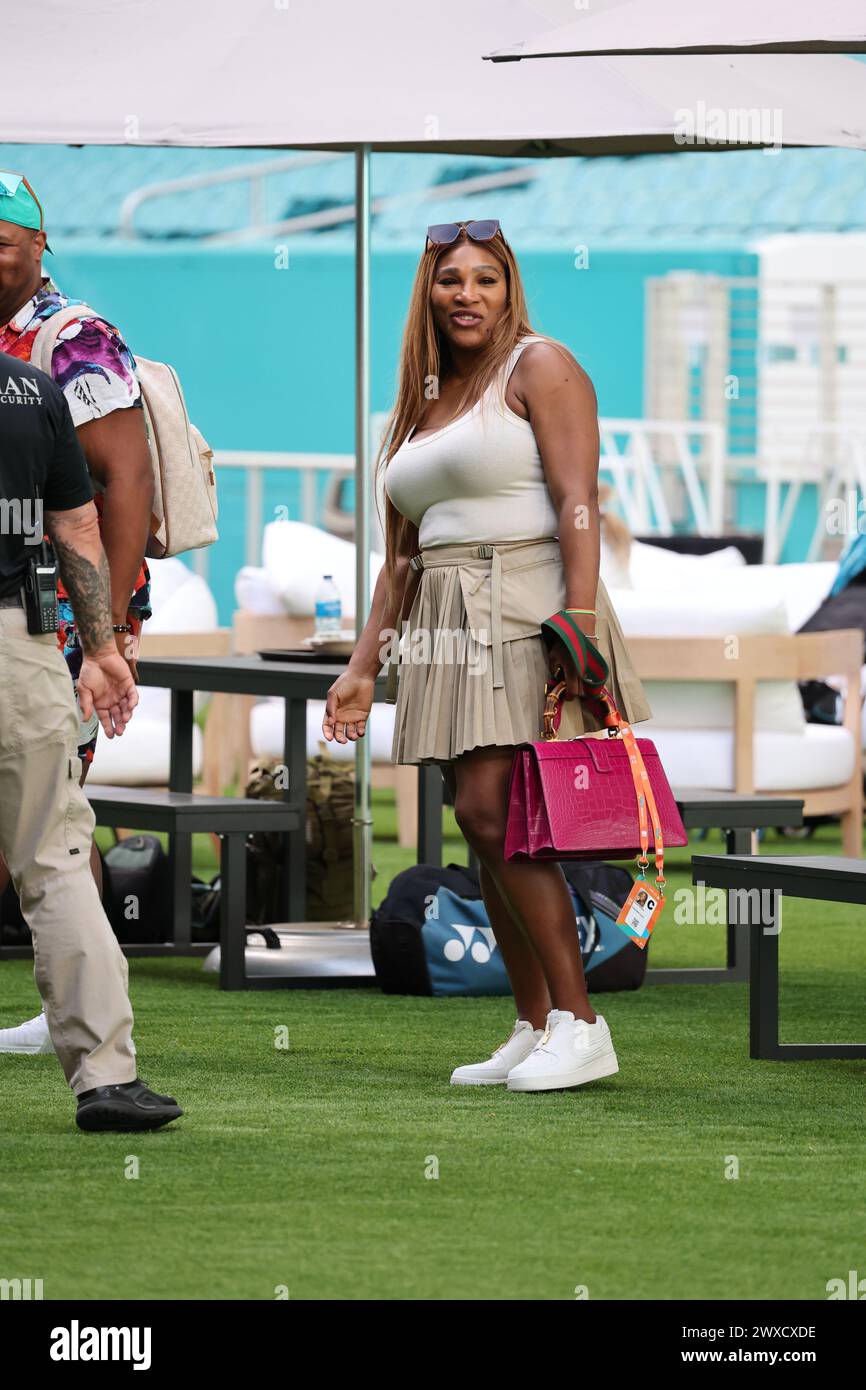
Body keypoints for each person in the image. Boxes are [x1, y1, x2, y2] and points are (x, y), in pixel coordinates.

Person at [322, 217, 652, 1094]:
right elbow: (399, 555)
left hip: (526, 603)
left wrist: (578, 616)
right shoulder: (417, 402)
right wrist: (363, 666)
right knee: (480, 821)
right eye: (450, 279)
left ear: (510, 291)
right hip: (440, 616)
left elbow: (578, 499)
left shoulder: (540, 366)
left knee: (494, 807)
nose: (467, 294)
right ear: (426, 292)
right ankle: (535, 1019)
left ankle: (582, 1022)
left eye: (486, 279)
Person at [0, 345, 181, 1130]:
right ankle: (106, 1078)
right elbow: (77, 526)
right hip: (20, 645)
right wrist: (103, 649)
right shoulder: (32, 389)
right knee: (56, 860)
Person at [0, 170, 153, 1056]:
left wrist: (113, 631)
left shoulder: (76, 339)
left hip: (64, 607)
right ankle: (66, 1002)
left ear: (40, 243)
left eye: (3, 238)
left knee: (56, 808)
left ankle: (84, 1017)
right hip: (21, 601)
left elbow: (120, 480)